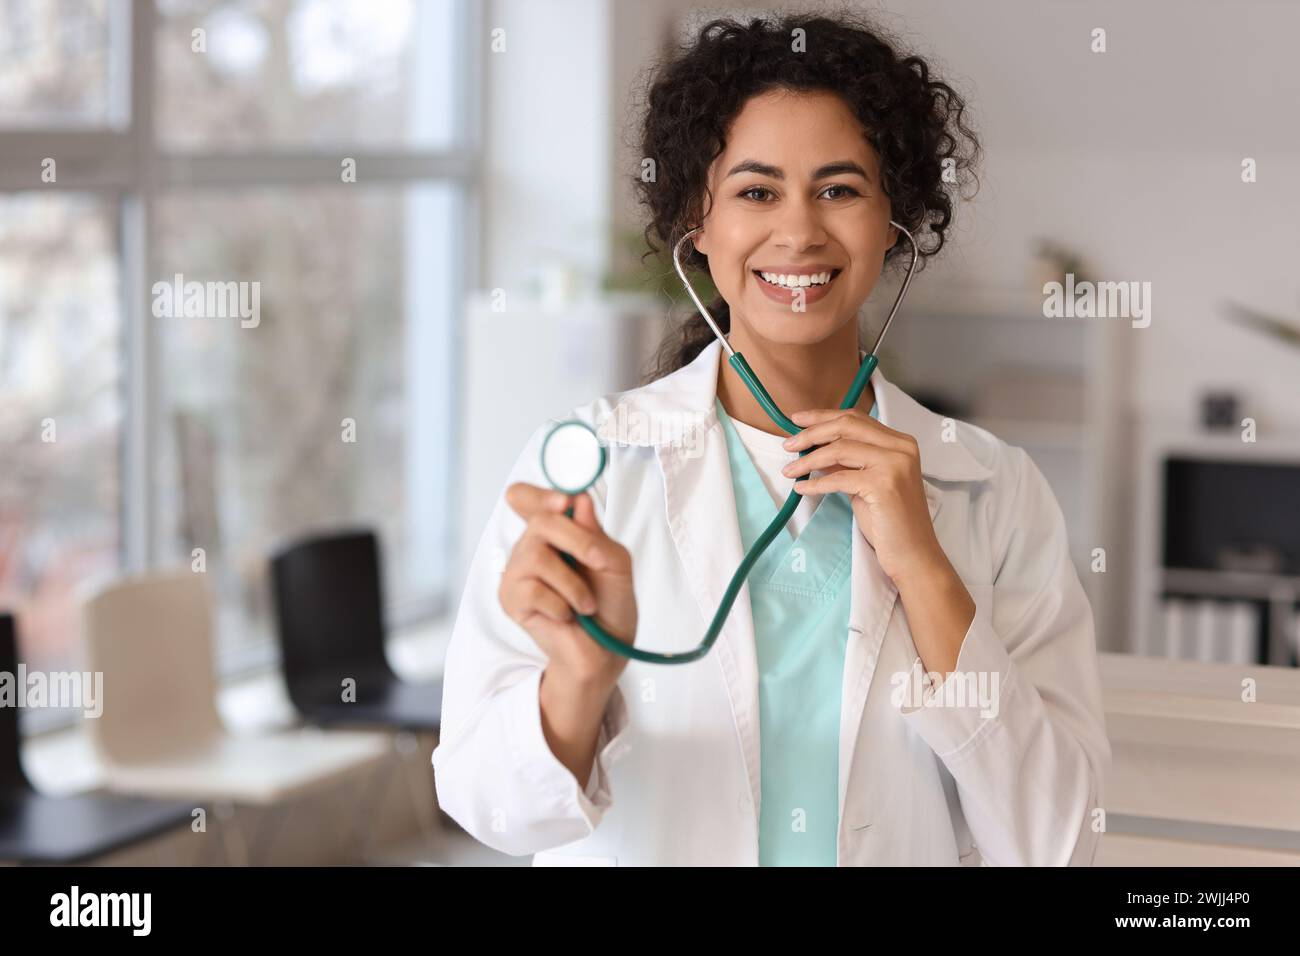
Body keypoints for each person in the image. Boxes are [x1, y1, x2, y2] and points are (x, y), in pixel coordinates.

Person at [432, 11, 1110, 866]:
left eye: (840, 189)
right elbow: (491, 809)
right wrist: (578, 681)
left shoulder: (994, 494)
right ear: (698, 225)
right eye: (757, 191)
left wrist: (927, 570)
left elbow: (1059, 844)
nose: (799, 232)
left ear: (893, 220)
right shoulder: (592, 472)